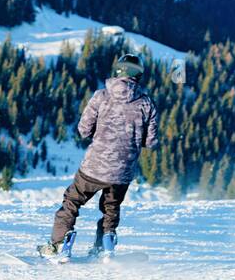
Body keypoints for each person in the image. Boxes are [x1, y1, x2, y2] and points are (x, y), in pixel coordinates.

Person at [38, 52, 159, 261]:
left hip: (94, 166)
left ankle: (59, 245)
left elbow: (83, 129)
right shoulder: (146, 104)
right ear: (138, 75)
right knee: (111, 208)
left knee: (72, 202)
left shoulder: (101, 96)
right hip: (123, 170)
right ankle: (105, 248)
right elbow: (150, 141)